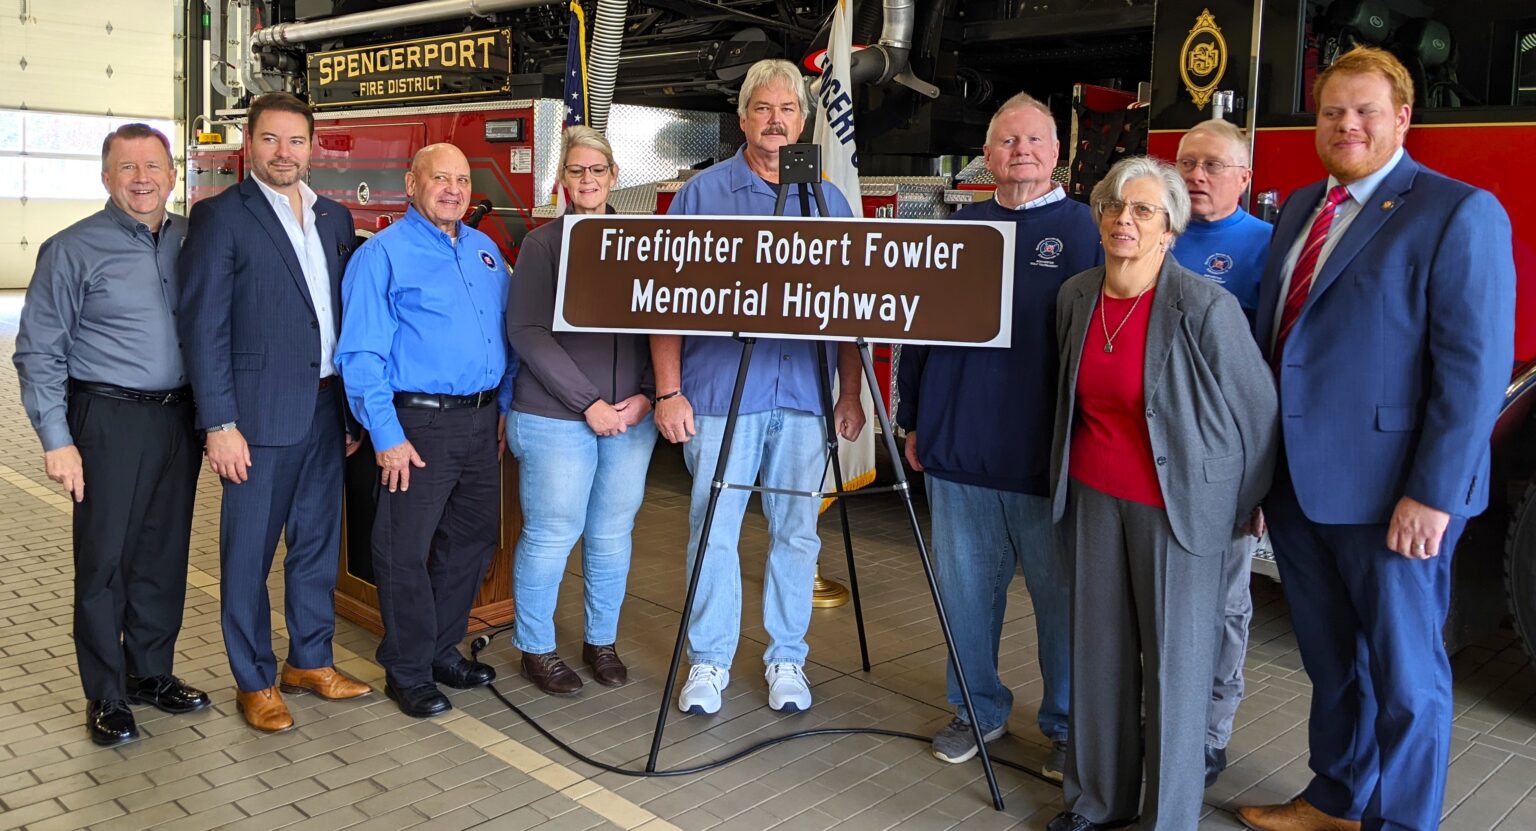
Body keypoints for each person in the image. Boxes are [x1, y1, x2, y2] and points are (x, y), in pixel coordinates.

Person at [1237, 46, 1514, 831]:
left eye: (1365, 110)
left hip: (1395, 496)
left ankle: (1401, 822)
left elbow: (1473, 371)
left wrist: (1433, 493)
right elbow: (1276, 348)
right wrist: (1256, 477)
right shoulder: (1300, 207)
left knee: (1406, 680)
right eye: (1332, 111)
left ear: (1403, 118)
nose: (1346, 124)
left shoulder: (1457, 211)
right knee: (1332, 663)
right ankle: (1336, 798)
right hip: (1297, 488)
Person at [1046, 157, 1278, 831]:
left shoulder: (1205, 306)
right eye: (1114, 207)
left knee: (1176, 668)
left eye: (1144, 210)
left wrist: (1244, 506)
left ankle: (1168, 819)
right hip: (1093, 498)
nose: (1126, 219)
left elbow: (1258, 412)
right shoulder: (1076, 296)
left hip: (1179, 511)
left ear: (1170, 229)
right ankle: (1096, 802)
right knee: (1099, 657)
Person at [895, 92, 1099, 776]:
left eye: (1034, 140)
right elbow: (918, 332)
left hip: (1047, 461)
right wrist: (912, 418)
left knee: (1060, 606)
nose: (1021, 152)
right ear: (986, 156)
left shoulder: (1087, 231)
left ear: (1056, 153)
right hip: (958, 453)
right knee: (965, 600)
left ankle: (1066, 727)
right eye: (1008, 141)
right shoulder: (958, 231)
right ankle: (976, 709)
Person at [654, 57, 866, 716]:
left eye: (788, 110)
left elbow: (854, 306)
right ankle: (709, 661)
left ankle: (787, 658)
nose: (776, 121)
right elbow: (663, 299)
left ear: (804, 122)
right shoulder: (702, 194)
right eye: (763, 109)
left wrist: (850, 393)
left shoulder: (828, 201)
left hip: (803, 396)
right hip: (721, 395)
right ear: (743, 119)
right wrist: (668, 390)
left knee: (797, 532)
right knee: (713, 528)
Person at [179, 92, 370, 733]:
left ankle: (310, 661)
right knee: (249, 556)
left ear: (312, 148)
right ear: (248, 144)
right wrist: (219, 424)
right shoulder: (220, 217)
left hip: (326, 407)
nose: (283, 153)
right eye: (270, 139)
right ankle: (254, 679)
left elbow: (339, 316)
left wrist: (350, 415)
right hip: (256, 419)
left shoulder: (335, 217)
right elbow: (203, 328)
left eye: (295, 140)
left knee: (316, 545)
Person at [14, 124, 209, 746]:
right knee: (105, 560)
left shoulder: (194, 238)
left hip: (179, 417)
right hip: (107, 418)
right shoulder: (71, 249)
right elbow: (38, 351)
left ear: (173, 175)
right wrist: (56, 439)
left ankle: (149, 672)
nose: (142, 179)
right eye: (128, 168)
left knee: (163, 554)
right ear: (106, 177)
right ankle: (105, 694)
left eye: (153, 166)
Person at [336, 143, 517, 718]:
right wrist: (386, 434)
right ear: (411, 184)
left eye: (462, 180)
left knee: (472, 539)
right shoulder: (382, 255)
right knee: (404, 548)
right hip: (418, 423)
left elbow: (506, 333)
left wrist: (503, 405)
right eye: (440, 178)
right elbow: (360, 354)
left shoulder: (486, 251)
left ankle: (440, 650)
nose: (453, 190)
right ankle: (408, 669)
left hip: (480, 420)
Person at [504, 127, 656, 696]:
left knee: (612, 534)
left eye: (597, 170)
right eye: (576, 170)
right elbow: (527, 331)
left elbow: (661, 321)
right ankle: (536, 648)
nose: (587, 180)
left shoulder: (642, 243)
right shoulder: (543, 245)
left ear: (614, 176)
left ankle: (601, 642)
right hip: (556, 418)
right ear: (562, 179)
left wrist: (648, 394)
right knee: (552, 533)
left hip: (629, 419)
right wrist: (587, 403)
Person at [1170, 117, 1274, 788]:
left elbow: (1271, 375)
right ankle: (1159, 720)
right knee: (1160, 604)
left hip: (1224, 467)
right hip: (1151, 458)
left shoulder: (1268, 248)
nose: (1197, 176)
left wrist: (1259, 481)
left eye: (1213, 165)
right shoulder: (1154, 233)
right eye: (1186, 163)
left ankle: (1209, 735)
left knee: (1225, 607)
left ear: (1245, 178)